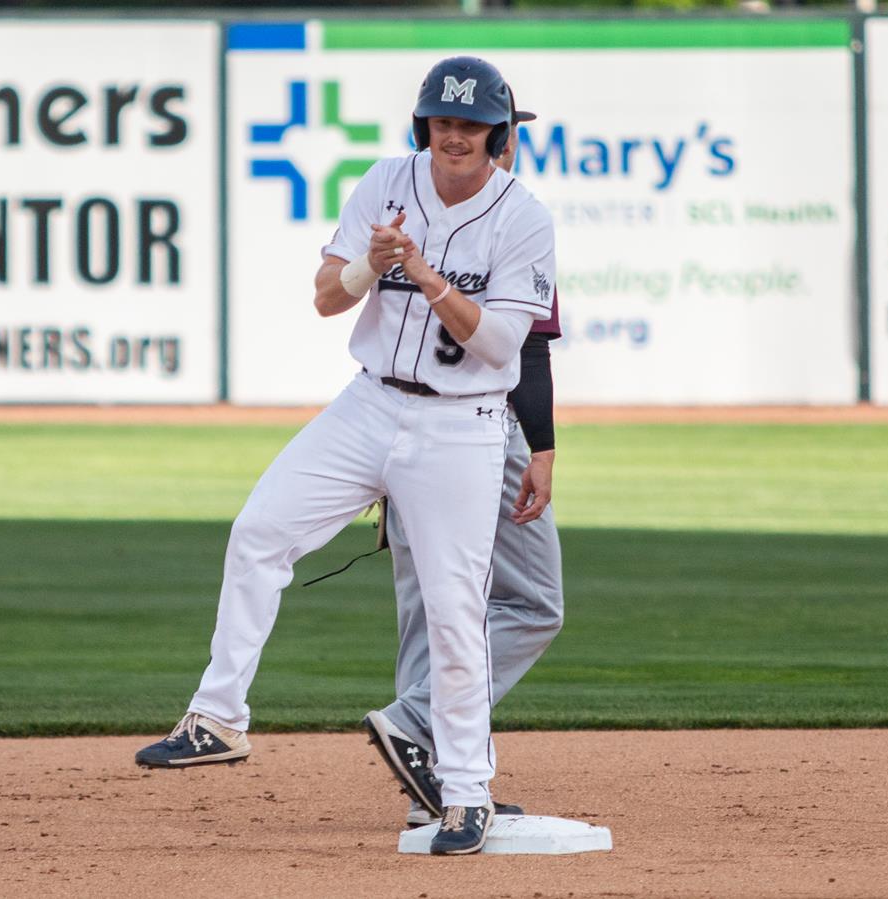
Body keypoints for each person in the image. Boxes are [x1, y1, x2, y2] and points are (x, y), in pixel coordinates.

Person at [134, 55, 556, 857]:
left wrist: (423, 272)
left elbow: (503, 341)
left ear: (498, 135)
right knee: (260, 530)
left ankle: (467, 795)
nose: (453, 136)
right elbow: (329, 296)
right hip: (370, 403)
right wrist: (373, 261)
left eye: (469, 125)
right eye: (441, 121)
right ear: (421, 125)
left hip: (463, 427)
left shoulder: (523, 217)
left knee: (455, 611)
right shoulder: (386, 179)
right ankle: (218, 716)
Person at [361, 91, 566, 830]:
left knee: (432, 608)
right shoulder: (516, 220)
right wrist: (541, 446)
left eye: (493, 131)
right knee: (532, 603)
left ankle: (436, 784)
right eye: (496, 132)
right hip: (484, 426)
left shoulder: (414, 212)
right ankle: (417, 724)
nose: (502, 145)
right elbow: (529, 346)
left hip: (397, 418)